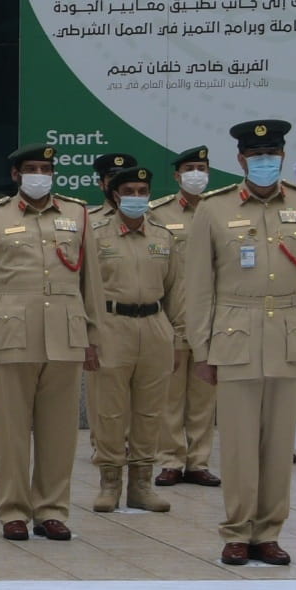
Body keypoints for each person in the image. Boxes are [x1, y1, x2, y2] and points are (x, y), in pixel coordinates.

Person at [175, 123, 296, 567]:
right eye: (255, 154)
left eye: (272, 152)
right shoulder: (214, 209)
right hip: (235, 335)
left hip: (290, 336)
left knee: (279, 445)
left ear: (282, 155)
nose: (264, 160)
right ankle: (237, 530)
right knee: (238, 443)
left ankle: (269, 532)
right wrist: (202, 348)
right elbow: (199, 286)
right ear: (240, 160)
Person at [0, 143, 91, 542]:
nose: (39, 175)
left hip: (66, 333)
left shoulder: (77, 214)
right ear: (15, 175)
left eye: (45, 168)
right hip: (10, 335)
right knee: (11, 432)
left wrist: (94, 336)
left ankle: (52, 509)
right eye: (31, 169)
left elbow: (91, 280)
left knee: (60, 432)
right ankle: (13, 510)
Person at [80, 156, 189, 515]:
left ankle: (142, 484)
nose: (137, 197)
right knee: (109, 412)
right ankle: (109, 483)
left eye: (143, 191)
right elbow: (85, 290)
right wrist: (88, 337)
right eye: (128, 191)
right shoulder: (96, 236)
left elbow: (176, 291)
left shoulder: (163, 237)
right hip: (112, 326)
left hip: (155, 326)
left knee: (151, 411)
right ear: (113, 196)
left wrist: (178, 338)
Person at [155, 147, 227, 490]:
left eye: (201, 168)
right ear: (177, 175)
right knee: (170, 398)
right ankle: (171, 460)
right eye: (189, 168)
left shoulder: (221, 211)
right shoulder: (159, 213)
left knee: (203, 397)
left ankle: (198, 461)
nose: (196, 174)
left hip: (212, 323)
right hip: (171, 318)